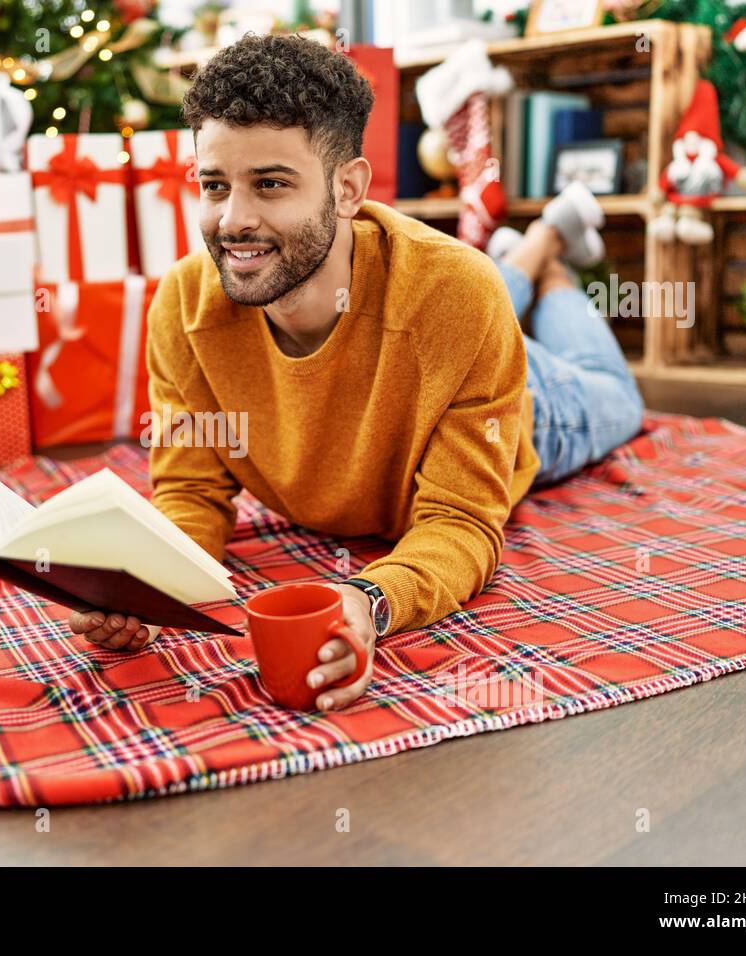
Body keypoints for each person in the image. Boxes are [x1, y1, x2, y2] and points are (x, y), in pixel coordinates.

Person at [67, 34, 645, 710]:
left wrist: (371, 599)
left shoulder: (456, 295)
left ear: (348, 189)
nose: (234, 221)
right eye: (215, 185)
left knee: (616, 397)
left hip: (537, 406)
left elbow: (460, 521)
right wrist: (151, 580)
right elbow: (192, 492)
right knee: (475, 294)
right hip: (440, 322)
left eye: (271, 184)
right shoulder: (185, 305)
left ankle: (547, 255)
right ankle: (533, 256)